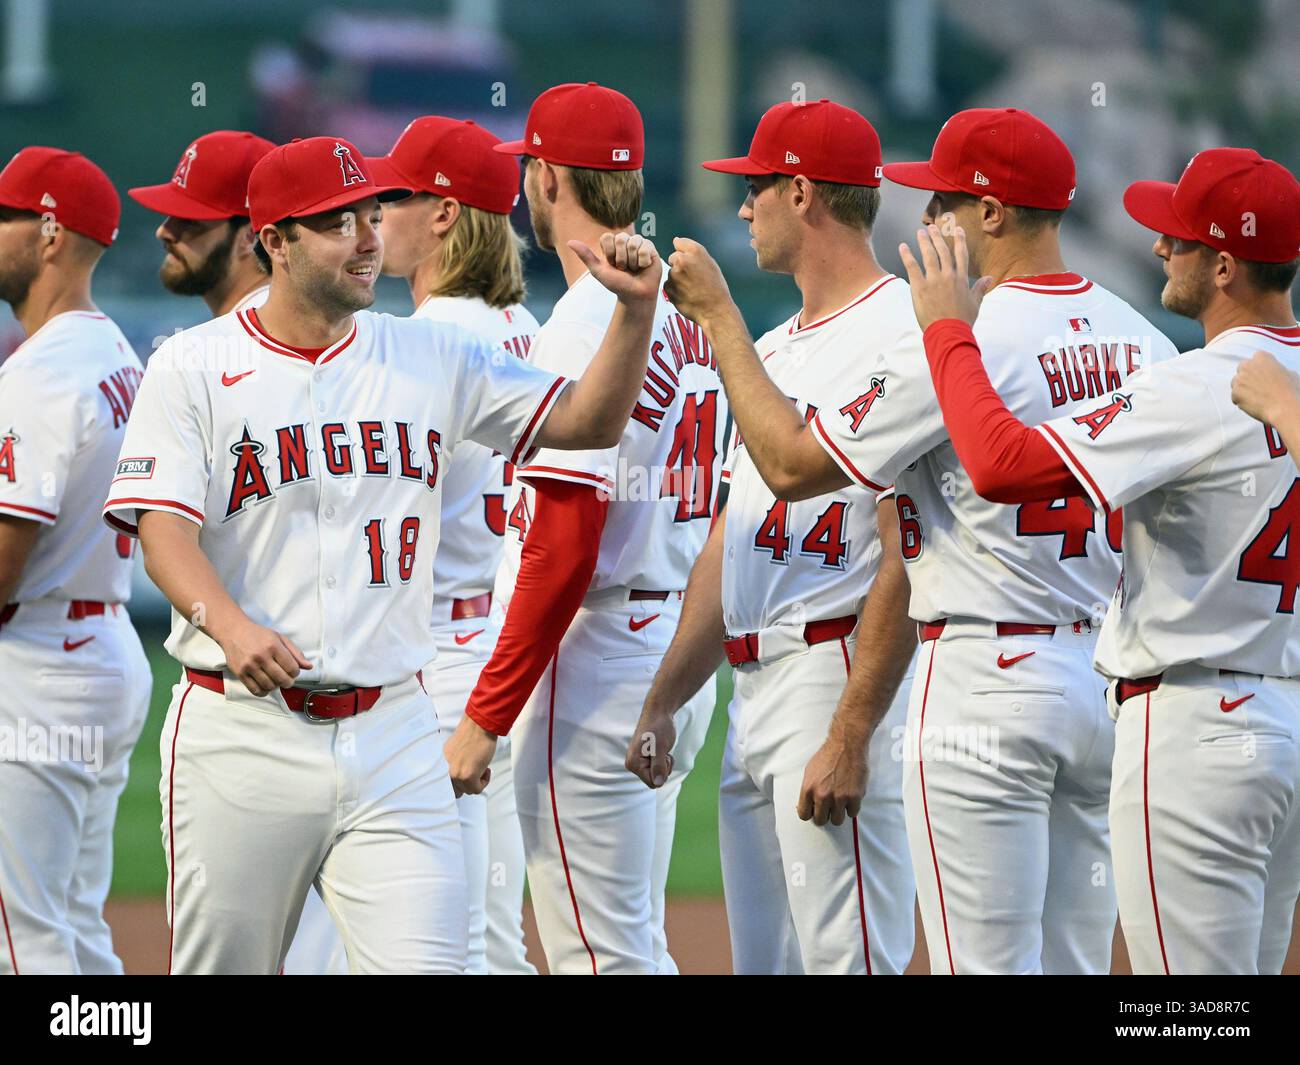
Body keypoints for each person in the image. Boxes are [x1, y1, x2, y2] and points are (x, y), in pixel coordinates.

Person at [102, 134, 666, 974]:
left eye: (372, 213)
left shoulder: (429, 352)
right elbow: (161, 528)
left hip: (397, 726)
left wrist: (636, 312)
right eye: (340, 222)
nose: (368, 237)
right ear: (275, 240)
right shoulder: (192, 364)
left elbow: (589, 420)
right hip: (243, 730)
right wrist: (223, 620)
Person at [663, 108, 1176, 974]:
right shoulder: (1147, 342)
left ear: (993, 214)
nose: (927, 223)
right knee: (1076, 964)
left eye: (941, 203)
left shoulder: (956, 340)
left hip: (987, 672)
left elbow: (793, 465)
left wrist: (716, 313)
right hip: (1107, 680)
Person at [905, 146, 1300, 975]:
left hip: (1197, 724)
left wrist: (946, 327)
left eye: (1180, 238)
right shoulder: (1256, 380)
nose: (1161, 247)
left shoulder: (1201, 382)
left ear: (1225, 264)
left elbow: (1001, 465)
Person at [624, 100, 917, 974]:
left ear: (802, 193)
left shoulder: (906, 334)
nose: (743, 208)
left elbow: (903, 547)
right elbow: (732, 537)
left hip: (834, 671)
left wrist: (852, 730)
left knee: (848, 961)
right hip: (754, 693)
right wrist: (663, 698)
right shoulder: (779, 347)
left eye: (756, 188)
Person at [443, 82, 726, 974]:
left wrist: (486, 714)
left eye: (529, 166)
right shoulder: (683, 315)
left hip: (597, 656)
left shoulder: (581, 326)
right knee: (631, 943)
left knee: (601, 957)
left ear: (546, 178)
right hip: (671, 637)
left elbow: (562, 546)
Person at [285, 115, 540, 976]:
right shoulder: (523, 330)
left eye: (390, 196)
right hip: (499, 651)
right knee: (489, 937)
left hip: (430, 663)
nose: (370, 215)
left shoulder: (431, 343)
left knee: (421, 945)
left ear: (442, 214)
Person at [0, 147, 151, 974]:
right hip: (101, 647)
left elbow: (4, 557)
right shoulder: (117, 356)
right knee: (75, 924)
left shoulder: (37, 375)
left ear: (50, 232)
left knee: (25, 936)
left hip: (35, 660)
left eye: (5, 216)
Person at [128, 129, 276, 318]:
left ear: (250, 239)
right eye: (171, 215)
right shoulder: (279, 323)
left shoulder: (242, 339)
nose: (164, 231)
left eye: (190, 222)